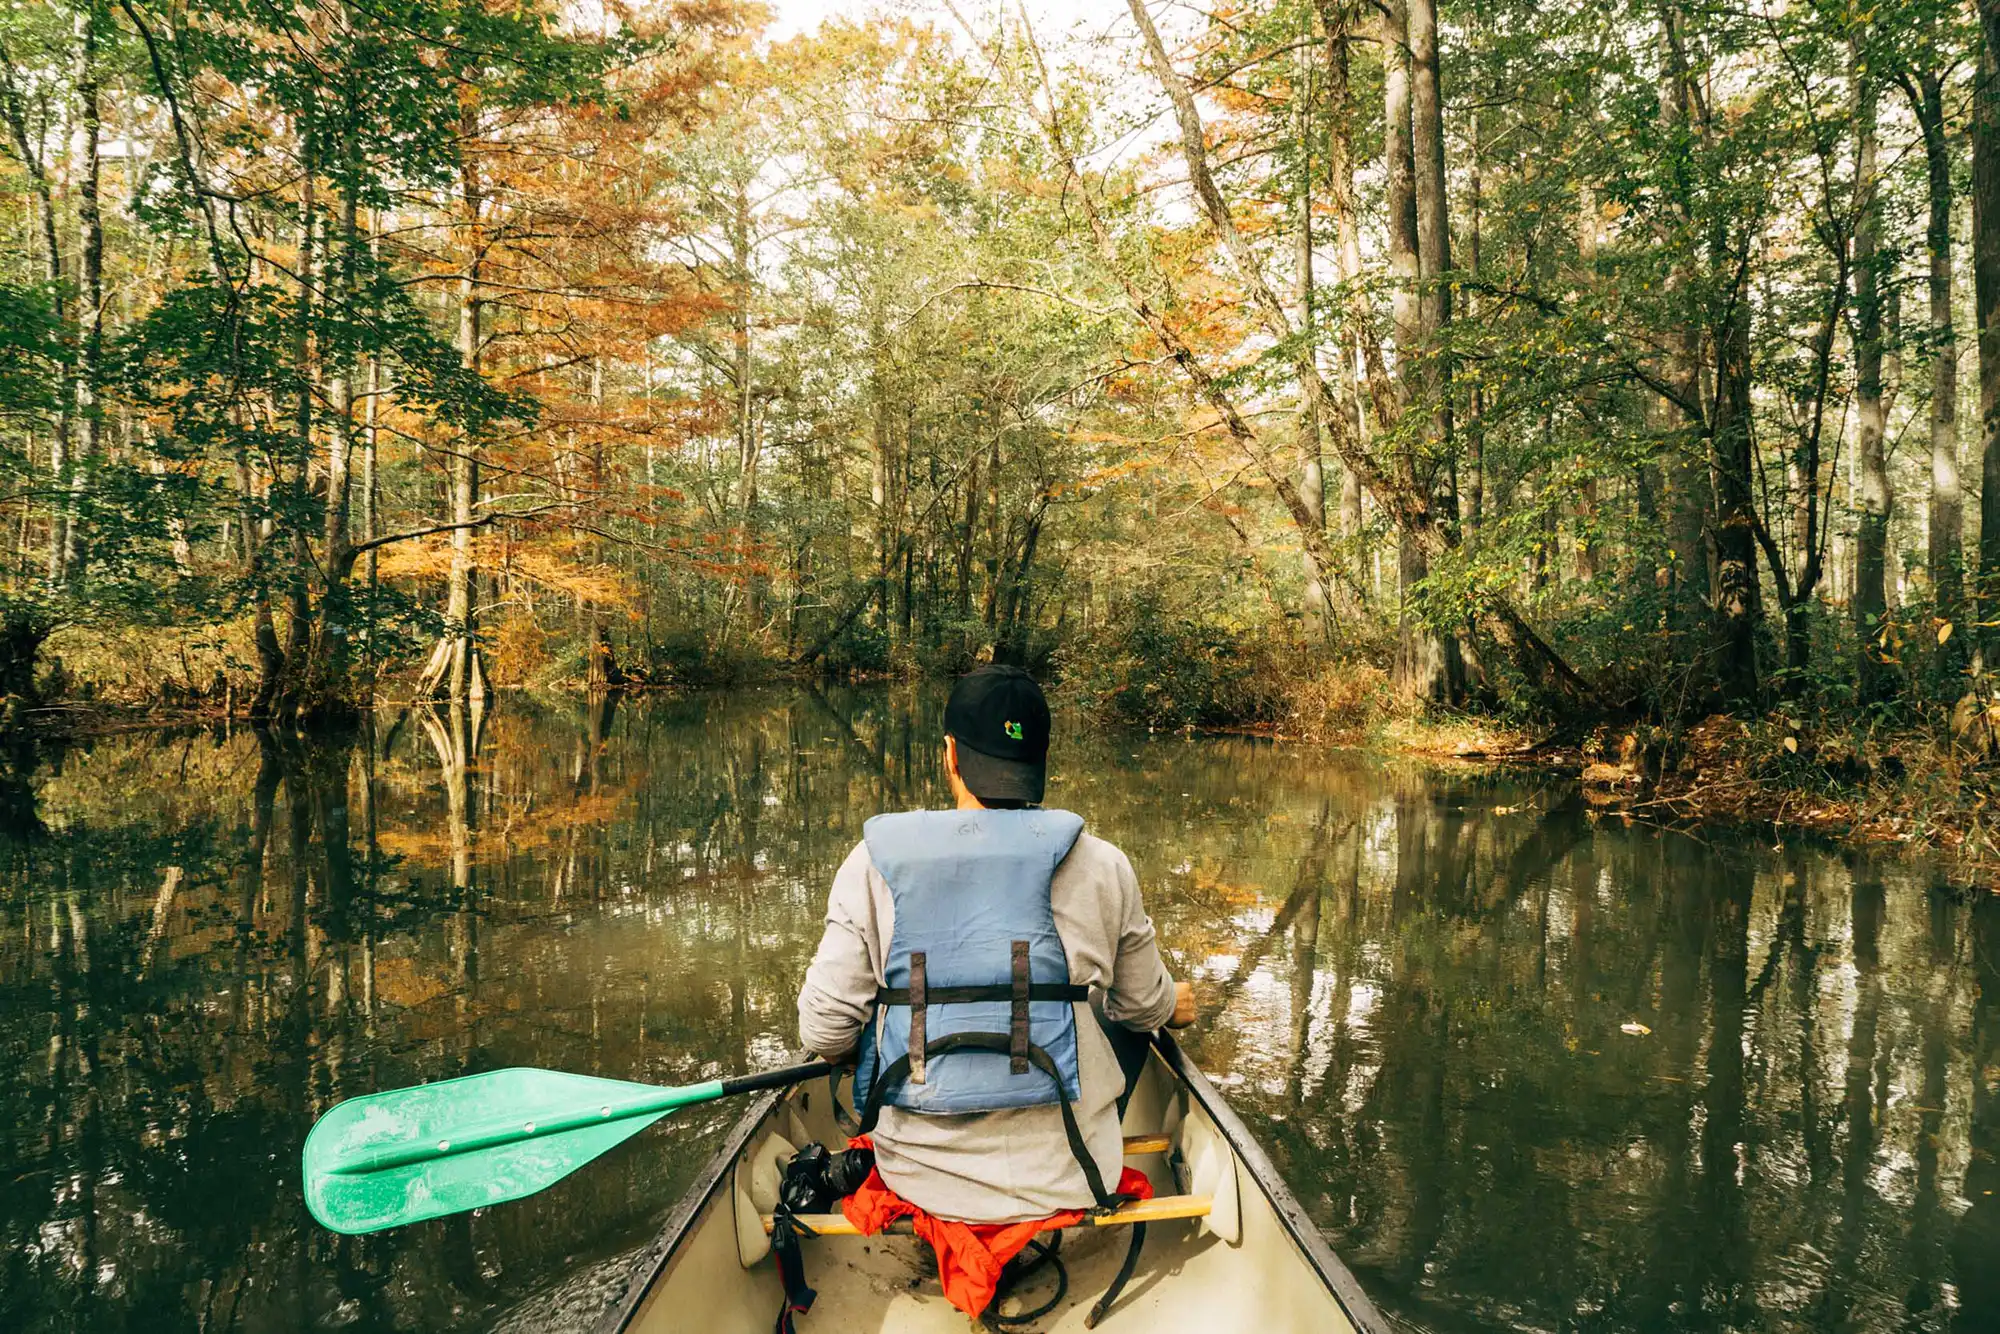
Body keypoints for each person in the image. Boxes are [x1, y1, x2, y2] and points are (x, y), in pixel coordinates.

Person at [796, 664, 1195, 1224]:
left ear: (950, 755)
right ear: (1038, 764)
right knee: (1108, 1007)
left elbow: (823, 1032)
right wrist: (1171, 1002)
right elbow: (1144, 1007)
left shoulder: (872, 866)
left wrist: (864, 1038)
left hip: (918, 1180)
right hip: (1076, 1175)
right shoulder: (1105, 865)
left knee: (871, 1014)